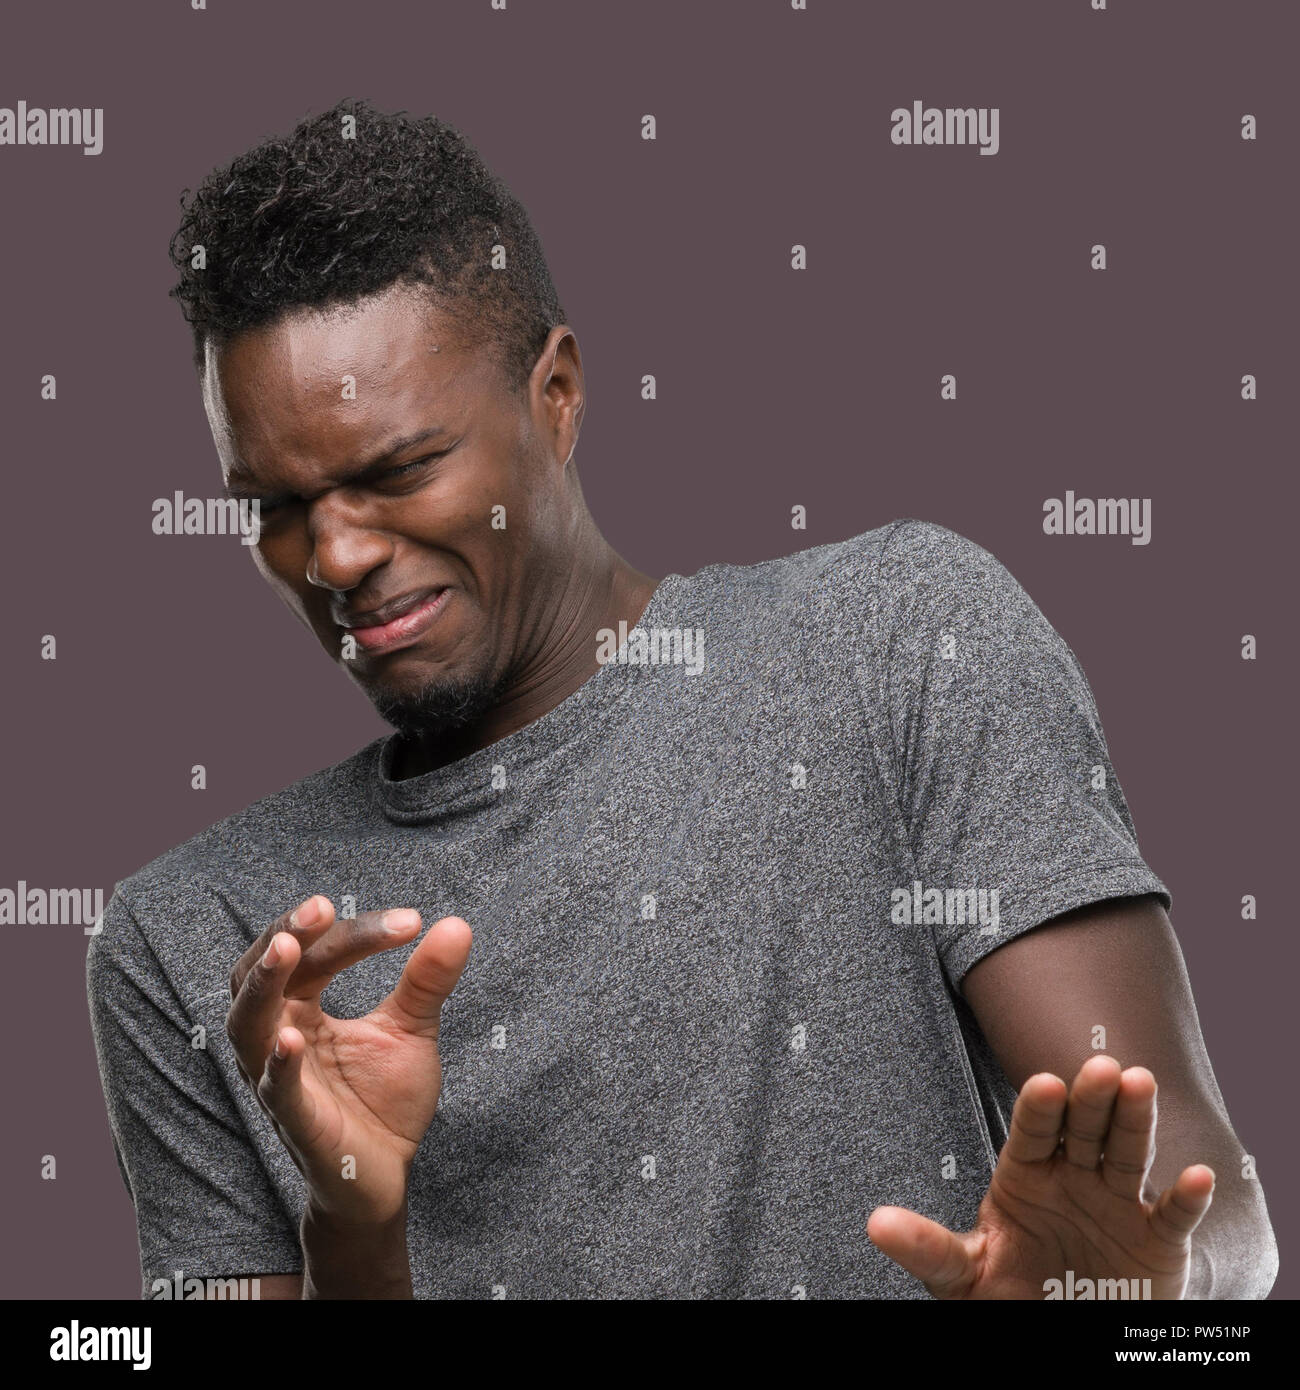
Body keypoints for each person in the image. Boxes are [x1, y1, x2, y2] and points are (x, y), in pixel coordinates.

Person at [87, 98, 1278, 1300]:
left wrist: (1133, 1300)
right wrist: (352, 1229)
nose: (334, 557)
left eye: (397, 470)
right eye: (274, 508)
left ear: (556, 394)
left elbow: (1208, 1205)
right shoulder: (193, 939)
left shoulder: (898, 643)